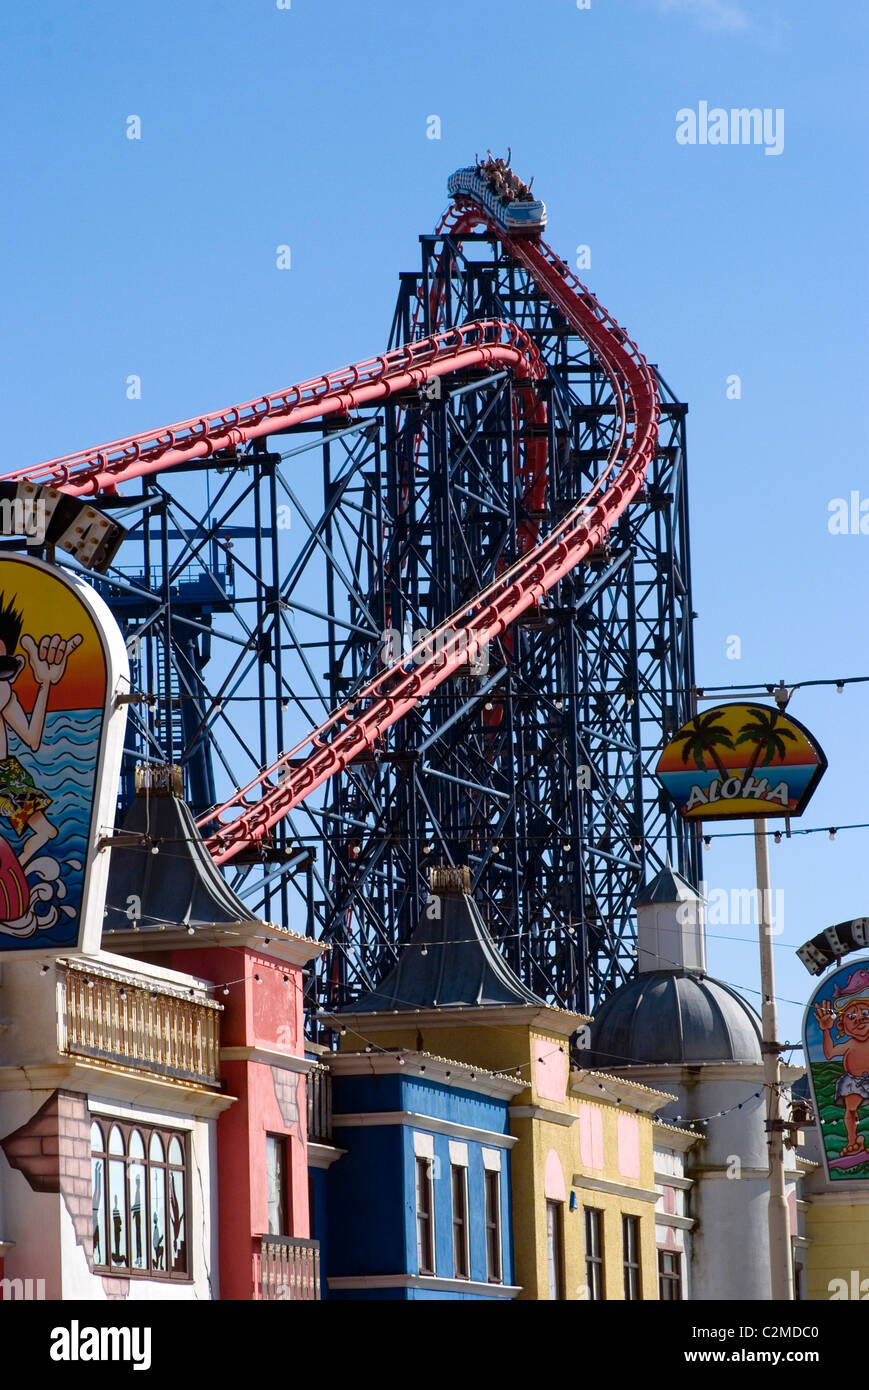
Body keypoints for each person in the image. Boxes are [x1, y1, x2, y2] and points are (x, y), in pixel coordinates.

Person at [0, 591, 82, 865]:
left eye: (2, 668)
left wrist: (45, 684)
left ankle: (16, 868)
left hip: (5, 775)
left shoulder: (5, 693)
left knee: (46, 830)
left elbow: (33, 739)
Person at [815, 967, 869, 1156]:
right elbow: (829, 1054)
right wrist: (825, 1030)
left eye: (865, 1013)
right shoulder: (848, 1043)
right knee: (851, 1110)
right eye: (852, 1017)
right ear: (843, 1025)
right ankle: (853, 1142)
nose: (860, 1019)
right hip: (853, 1081)